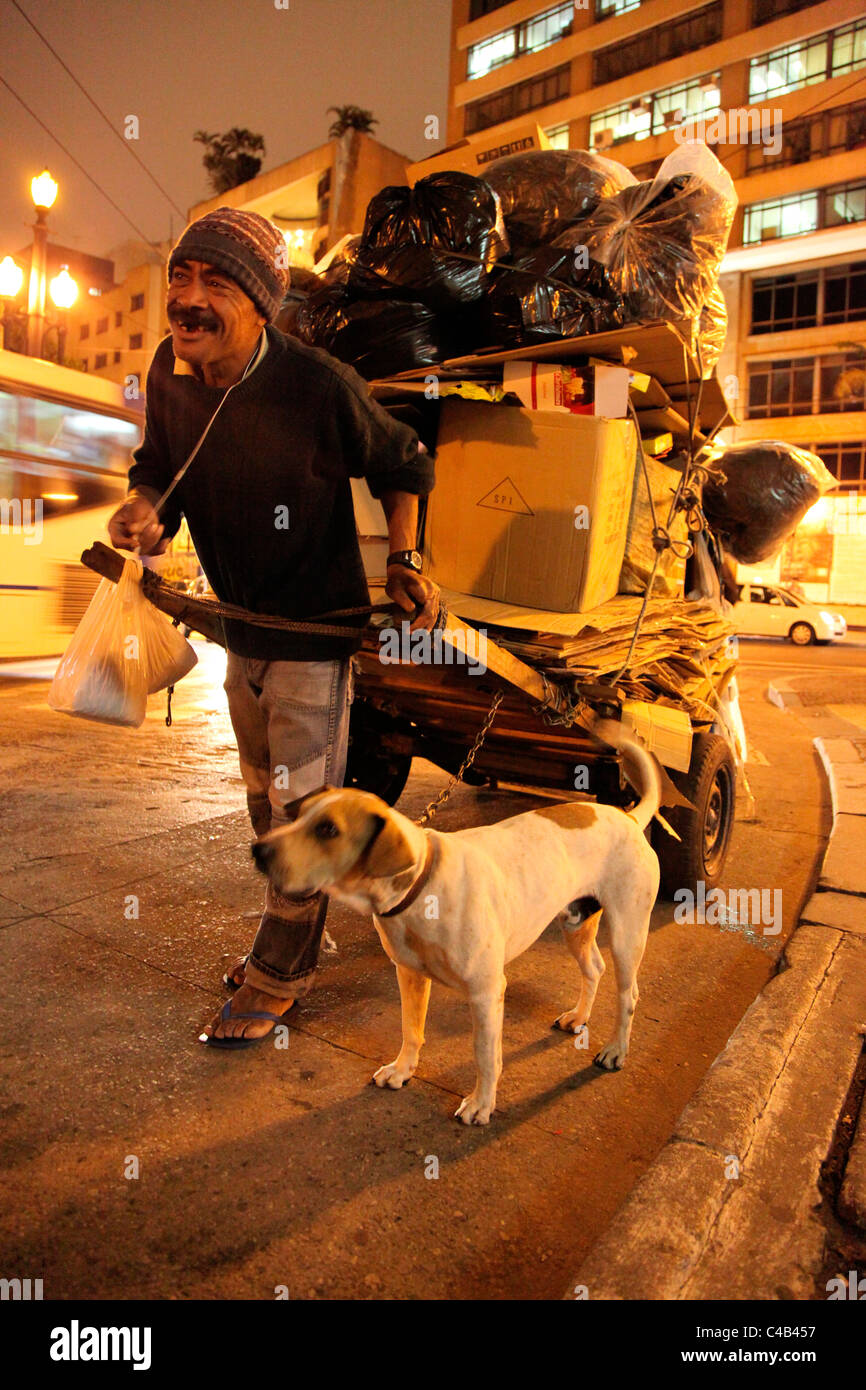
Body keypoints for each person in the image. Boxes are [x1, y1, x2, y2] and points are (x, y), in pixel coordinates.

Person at [108, 207, 439, 1046]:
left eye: (214, 284)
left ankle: (281, 971)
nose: (187, 300)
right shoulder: (170, 372)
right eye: (181, 278)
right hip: (240, 631)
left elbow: (407, 462)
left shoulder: (319, 386)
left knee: (299, 806)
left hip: (311, 640)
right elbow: (159, 469)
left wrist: (407, 560)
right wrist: (146, 512)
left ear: (258, 302)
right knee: (262, 798)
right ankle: (299, 921)